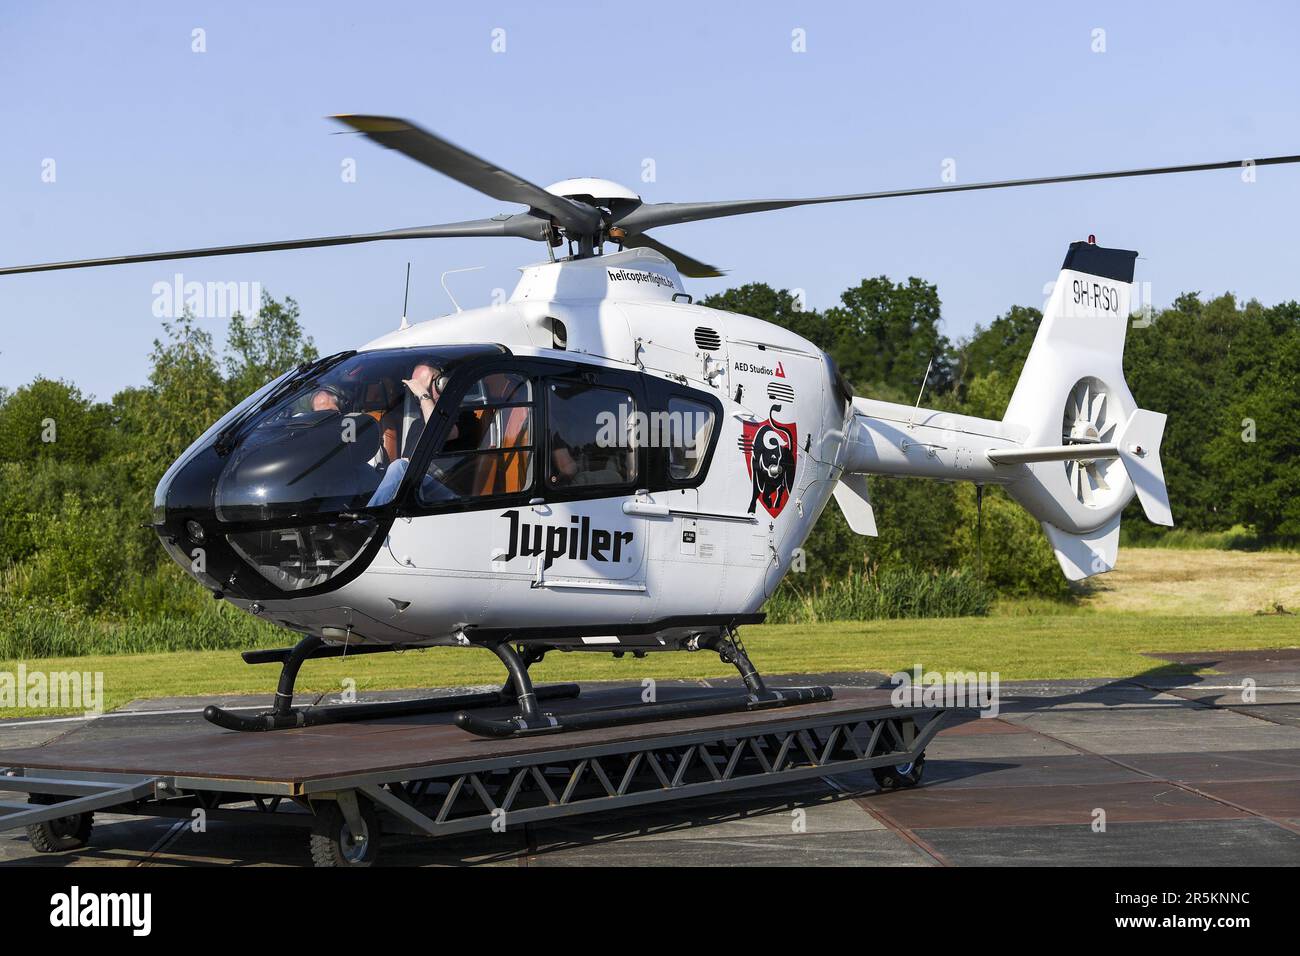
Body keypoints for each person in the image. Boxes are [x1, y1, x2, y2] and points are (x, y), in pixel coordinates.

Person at [366, 363, 455, 507]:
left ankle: (366, 523)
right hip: (417, 492)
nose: (417, 394)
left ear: (441, 384)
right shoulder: (416, 425)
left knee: (399, 467)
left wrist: (423, 395)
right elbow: (408, 463)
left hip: (449, 496)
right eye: (415, 390)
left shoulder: (462, 416)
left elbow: (441, 432)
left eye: (422, 387)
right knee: (363, 472)